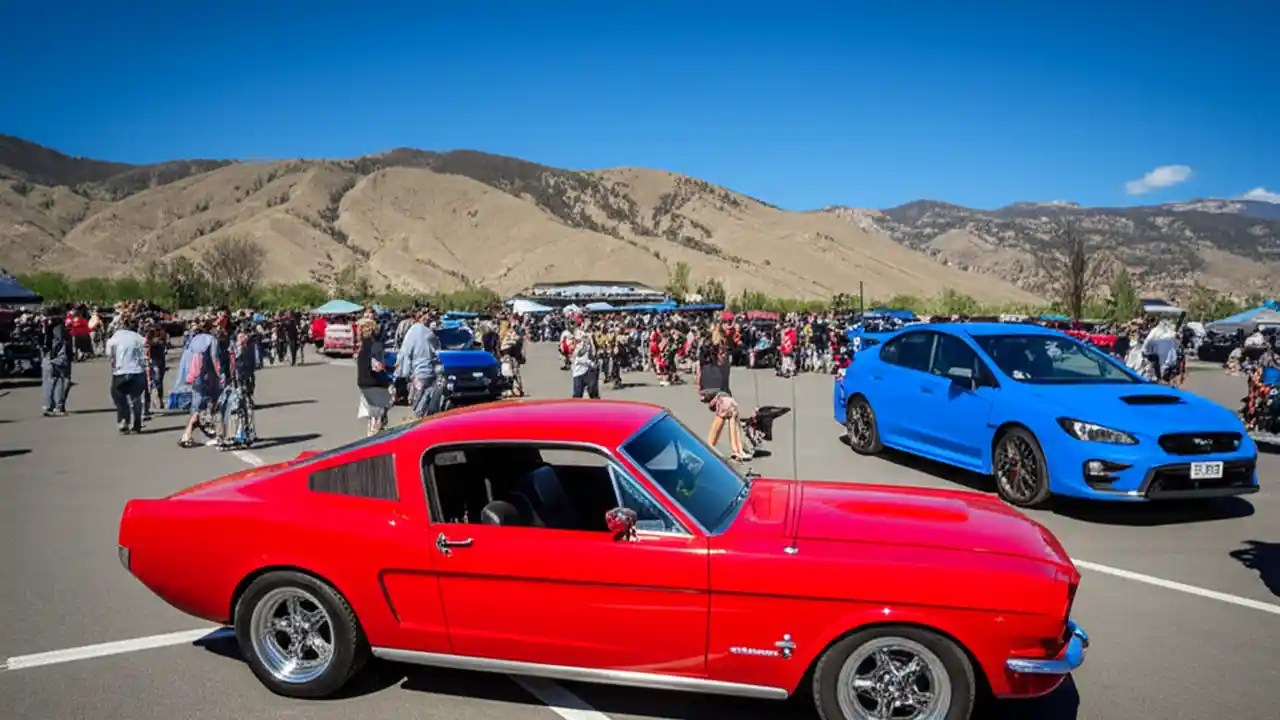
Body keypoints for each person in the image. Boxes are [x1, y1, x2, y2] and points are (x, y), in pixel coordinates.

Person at [178, 320, 224, 448]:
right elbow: (215, 359)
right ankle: (187, 434)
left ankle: (202, 432)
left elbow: (188, 357)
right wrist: (220, 375)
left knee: (198, 404)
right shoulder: (211, 340)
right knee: (206, 405)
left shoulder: (194, 339)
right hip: (207, 376)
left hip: (194, 375)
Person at [396, 308, 441, 418]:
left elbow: (405, 353)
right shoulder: (429, 333)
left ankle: (419, 424)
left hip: (418, 373)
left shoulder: (413, 332)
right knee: (427, 401)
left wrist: (402, 373)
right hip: (430, 372)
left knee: (418, 402)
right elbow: (438, 350)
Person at [106, 316, 147, 434]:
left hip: (120, 371)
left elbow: (109, 355)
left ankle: (124, 418)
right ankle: (137, 424)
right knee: (136, 399)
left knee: (118, 396)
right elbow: (144, 351)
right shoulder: (139, 338)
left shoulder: (114, 339)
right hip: (137, 371)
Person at [355, 318, 392, 435]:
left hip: (364, 383)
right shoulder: (375, 345)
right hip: (375, 384)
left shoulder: (363, 346)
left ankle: (371, 438)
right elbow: (378, 367)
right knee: (377, 417)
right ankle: (374, 440)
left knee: (373, 416)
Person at [41, 305, 73, 416]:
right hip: (56, 357)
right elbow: (59, 341)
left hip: (46, 356)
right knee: (59, 380)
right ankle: (58, 407)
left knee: (48, 381)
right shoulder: (58, 325)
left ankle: (47, 405)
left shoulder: (44, 325)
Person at [570, 321, 600, 398]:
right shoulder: (574, 345)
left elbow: (594, 353)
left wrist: (590, 340)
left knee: (593, 392)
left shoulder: (589, 343)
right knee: (577, 394)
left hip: (589, 370)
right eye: (579, 334)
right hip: (578, 372)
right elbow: (574, 356)